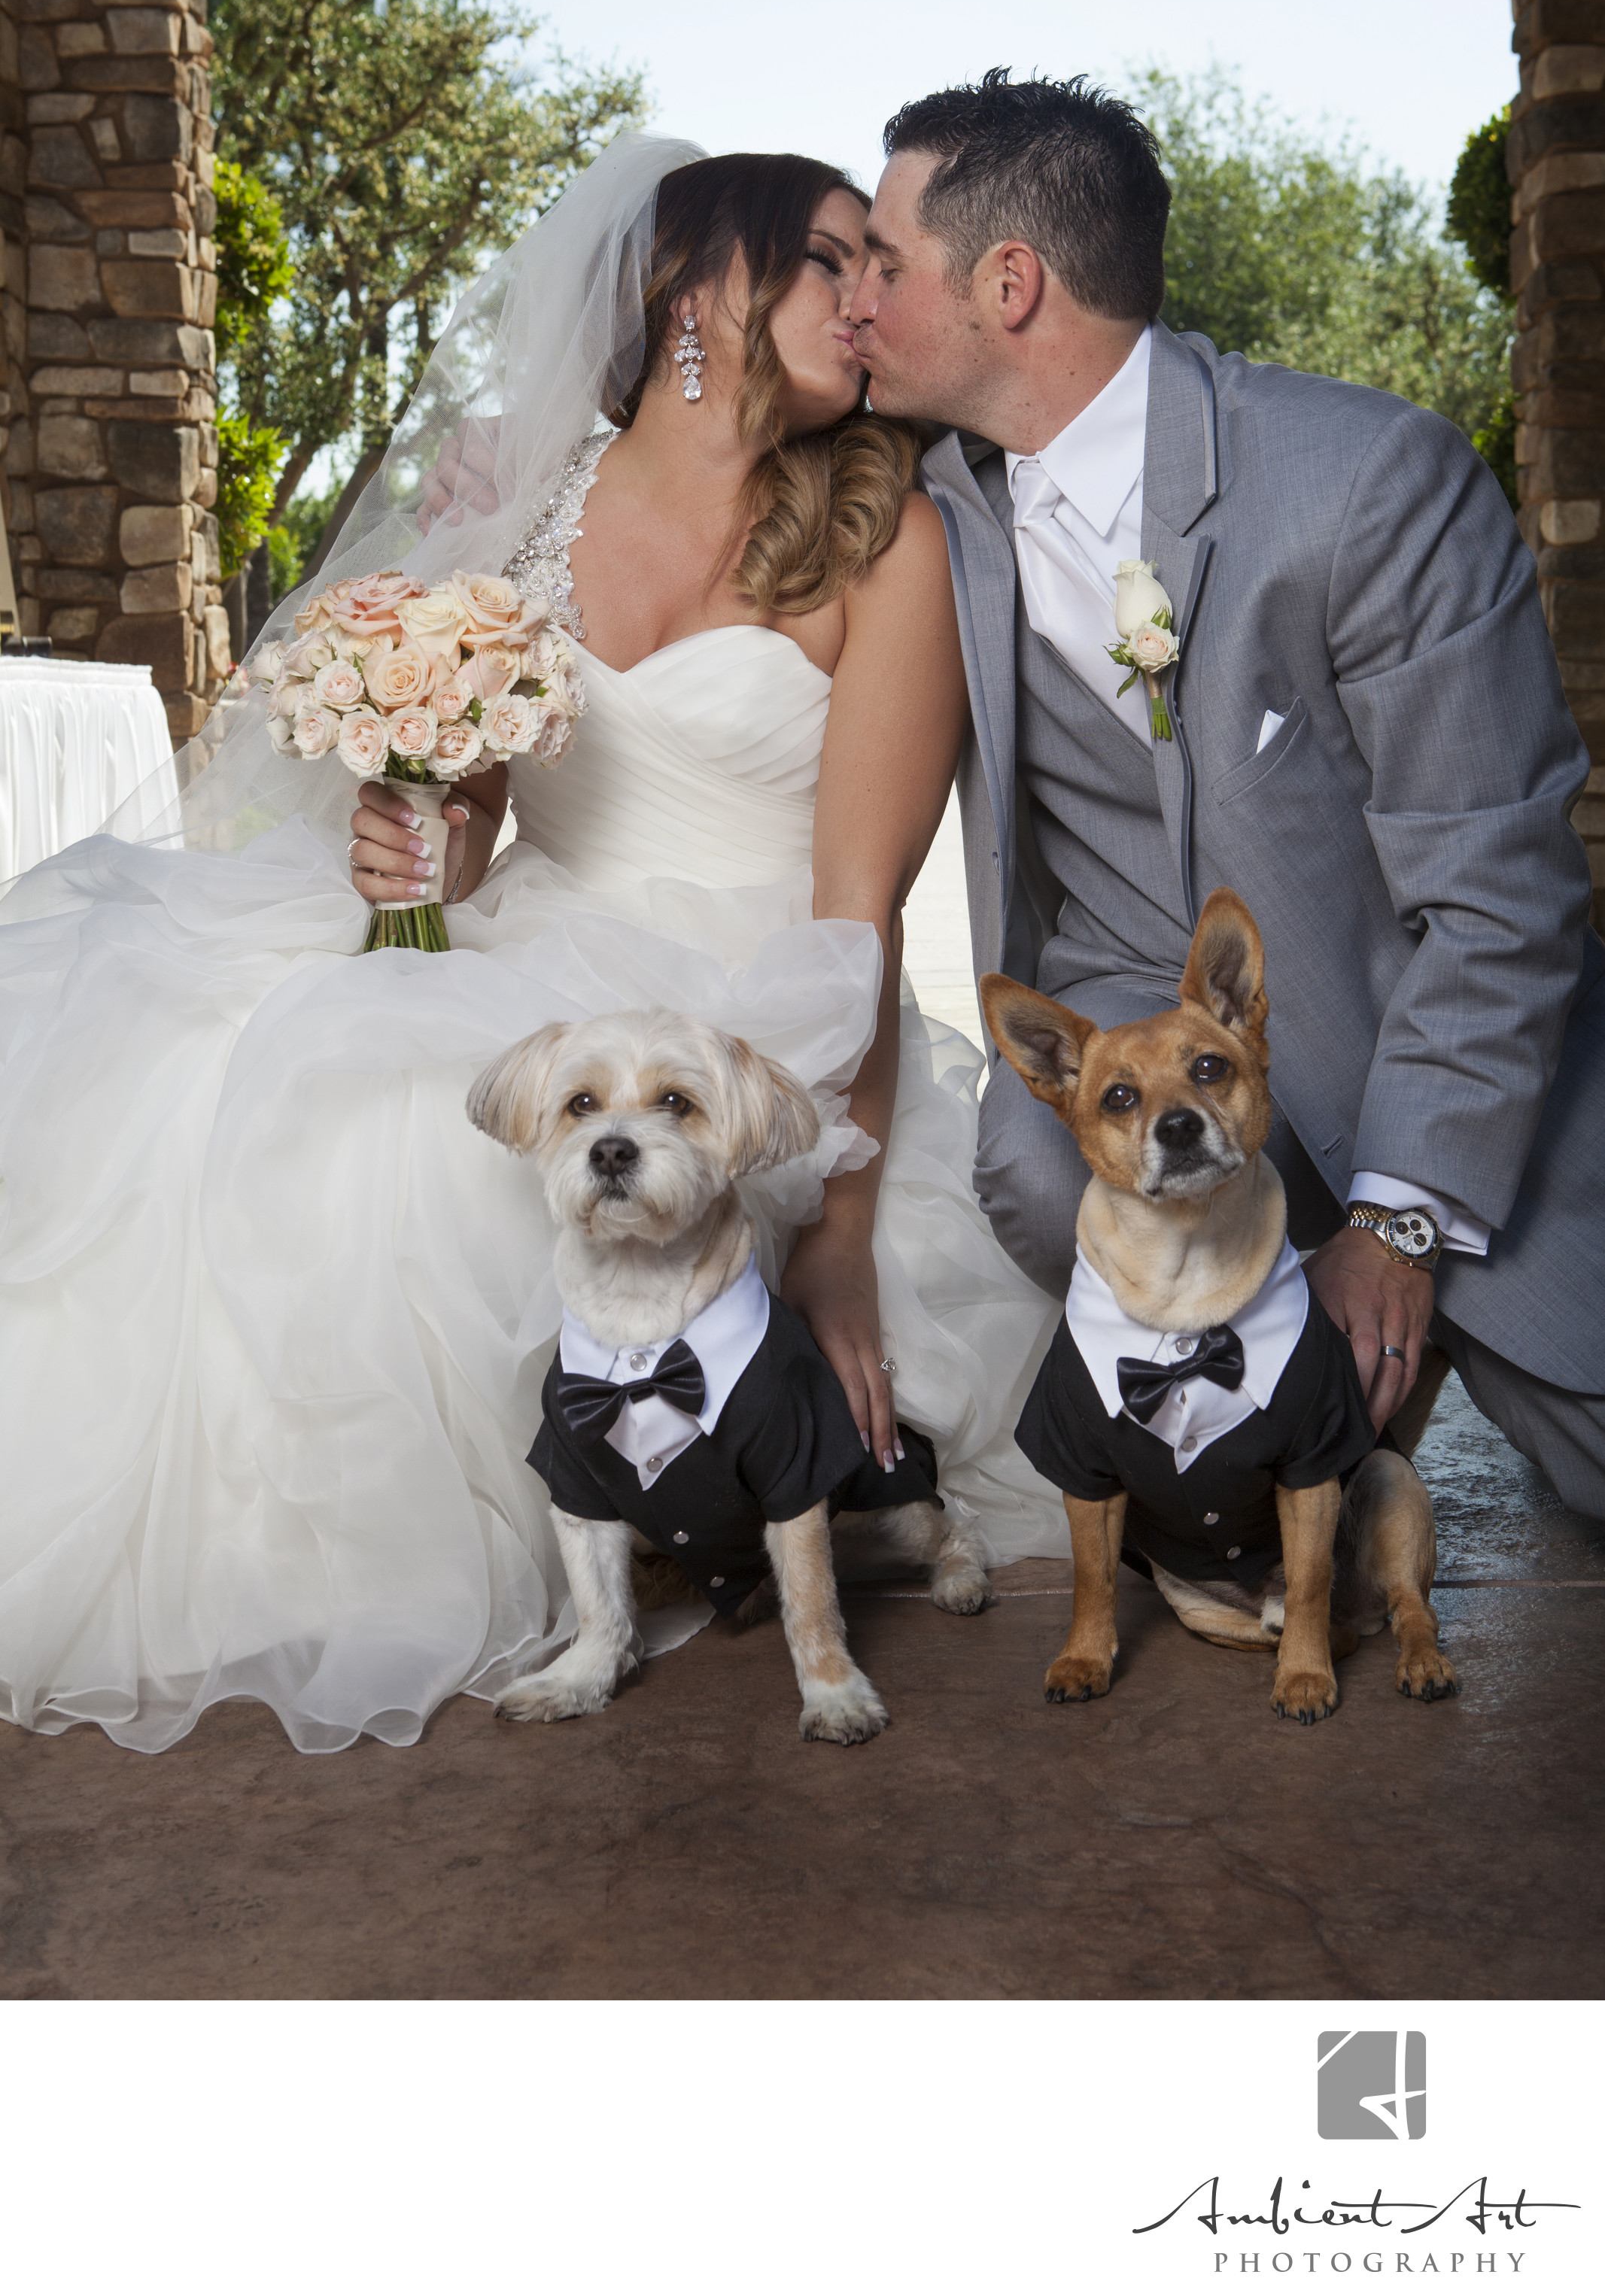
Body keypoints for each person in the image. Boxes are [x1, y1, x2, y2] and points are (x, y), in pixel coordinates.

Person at [0, 135, 1062, 1755]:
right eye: (835, 258)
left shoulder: (877, 541)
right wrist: (411, 838)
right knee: (259, 1081)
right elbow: (474, 807)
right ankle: (279, 1535)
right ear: (706, 280)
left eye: (877, 264)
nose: (869, 300)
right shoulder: (513, 505)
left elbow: (855, 921)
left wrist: (835, 1235)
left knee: (516, 1190)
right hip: (530, 943)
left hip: (748, 1009)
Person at [849, 70, 1605, 1520]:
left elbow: (1504, 897)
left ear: (1008, 284)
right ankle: (1264, 1418)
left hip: (1436, 1073)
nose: (854, 307)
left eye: (884, 266)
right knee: (1022, 1152)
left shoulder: (1366, 481)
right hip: (1173, 1079)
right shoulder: (936, 499)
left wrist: (1395, 1217)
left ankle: (1402, 1323)